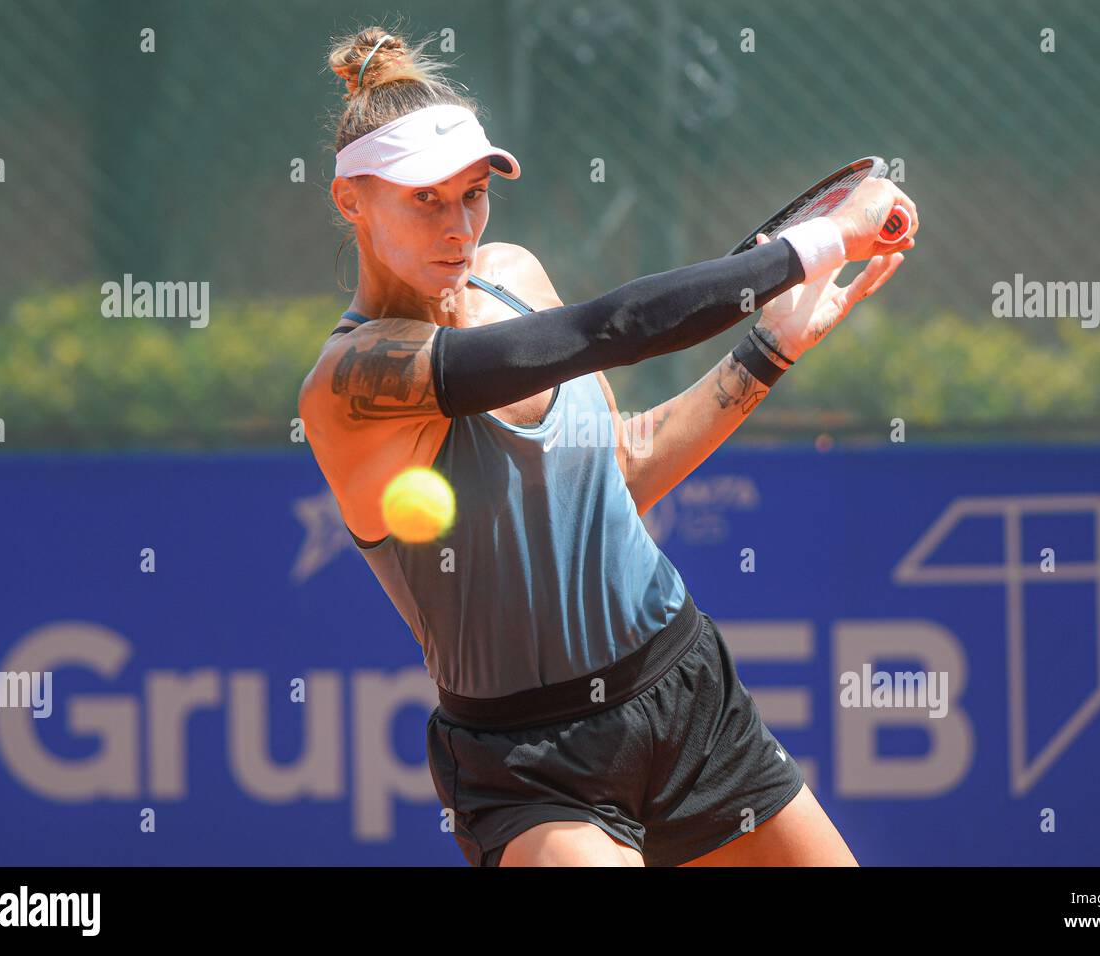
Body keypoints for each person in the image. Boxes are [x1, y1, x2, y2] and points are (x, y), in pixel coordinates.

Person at [300, 25, 919, 866]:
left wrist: (769, 348)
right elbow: (612, 328)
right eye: (425, 200)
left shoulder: (512, 276)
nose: (459, 228)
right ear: (351, 202)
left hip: (687, 690)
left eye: (473, 193)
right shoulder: (348, 383)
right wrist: (816, 244)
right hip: (532, 769)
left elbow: (620, 471)